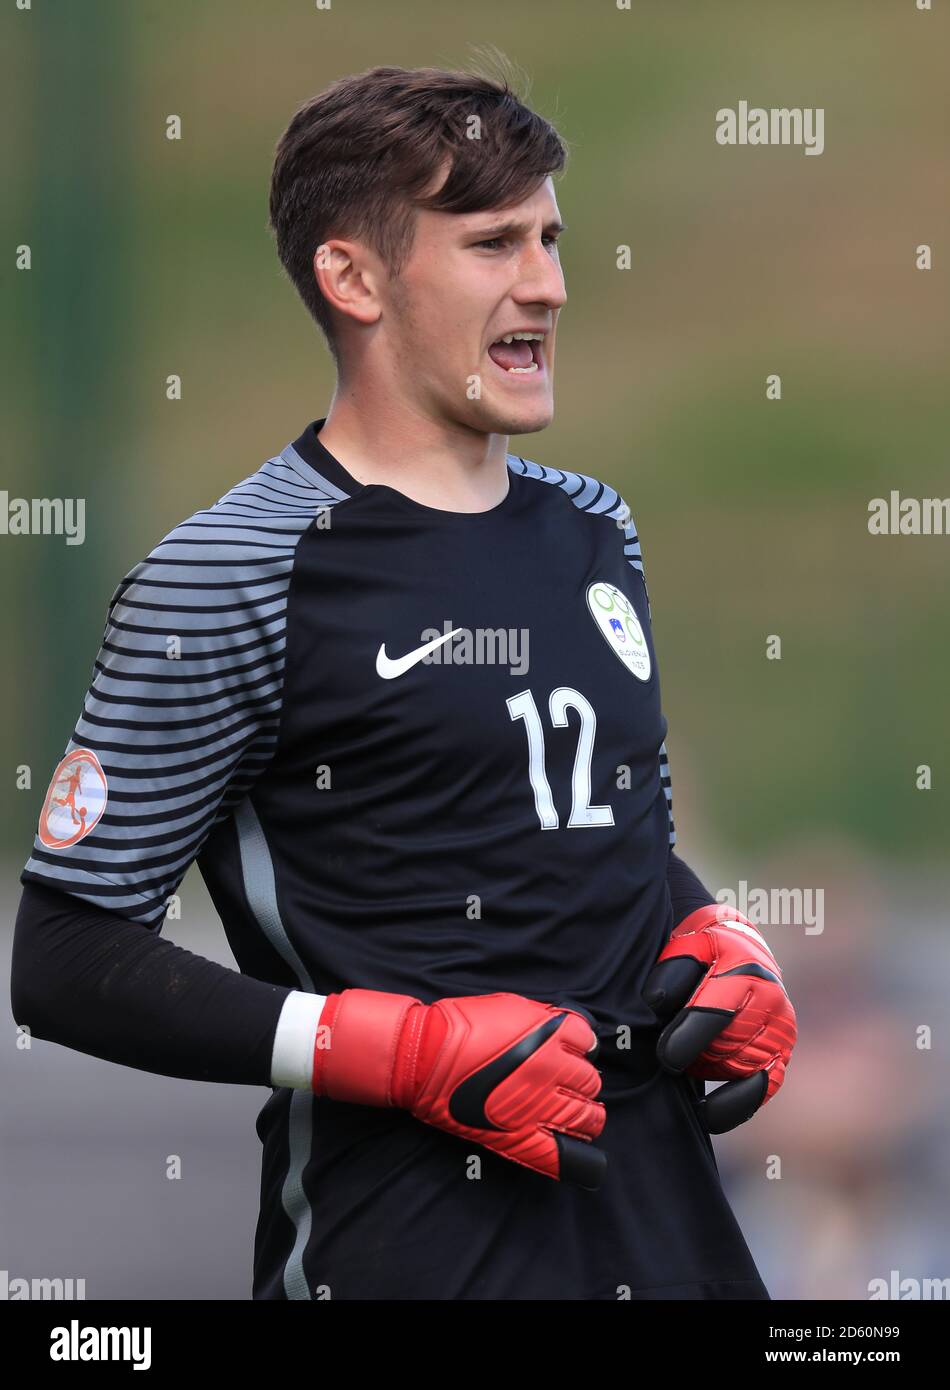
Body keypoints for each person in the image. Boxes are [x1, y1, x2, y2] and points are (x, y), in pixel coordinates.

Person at [11, 60, 796, 1300]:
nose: (546, 280)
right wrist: (391, 1049)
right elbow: (62, 959)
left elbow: (600, 837)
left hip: (668, 1236)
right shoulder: (233, 570)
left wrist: (712, 932)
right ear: (353, 277)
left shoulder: (594, 527)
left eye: (548, 236)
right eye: (491, 243)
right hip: (408, 1255)